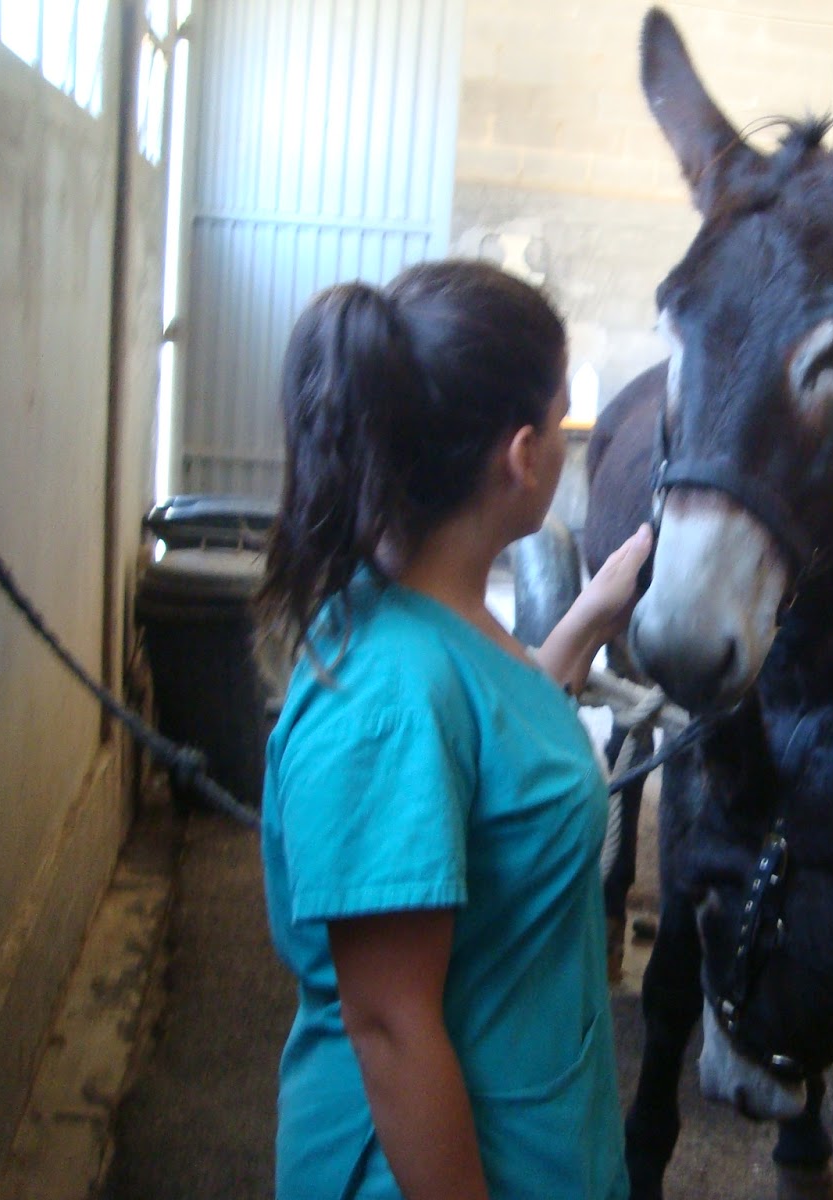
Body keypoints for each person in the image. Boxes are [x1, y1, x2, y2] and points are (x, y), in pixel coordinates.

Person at [257, 258, 649, 1200]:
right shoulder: (389, 698)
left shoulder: (437, 622)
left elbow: (496, 748)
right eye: (561, 420)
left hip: (535, 1149)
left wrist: (593, 612)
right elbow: (389, 1026)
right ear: (521, 456)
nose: (564, 443)